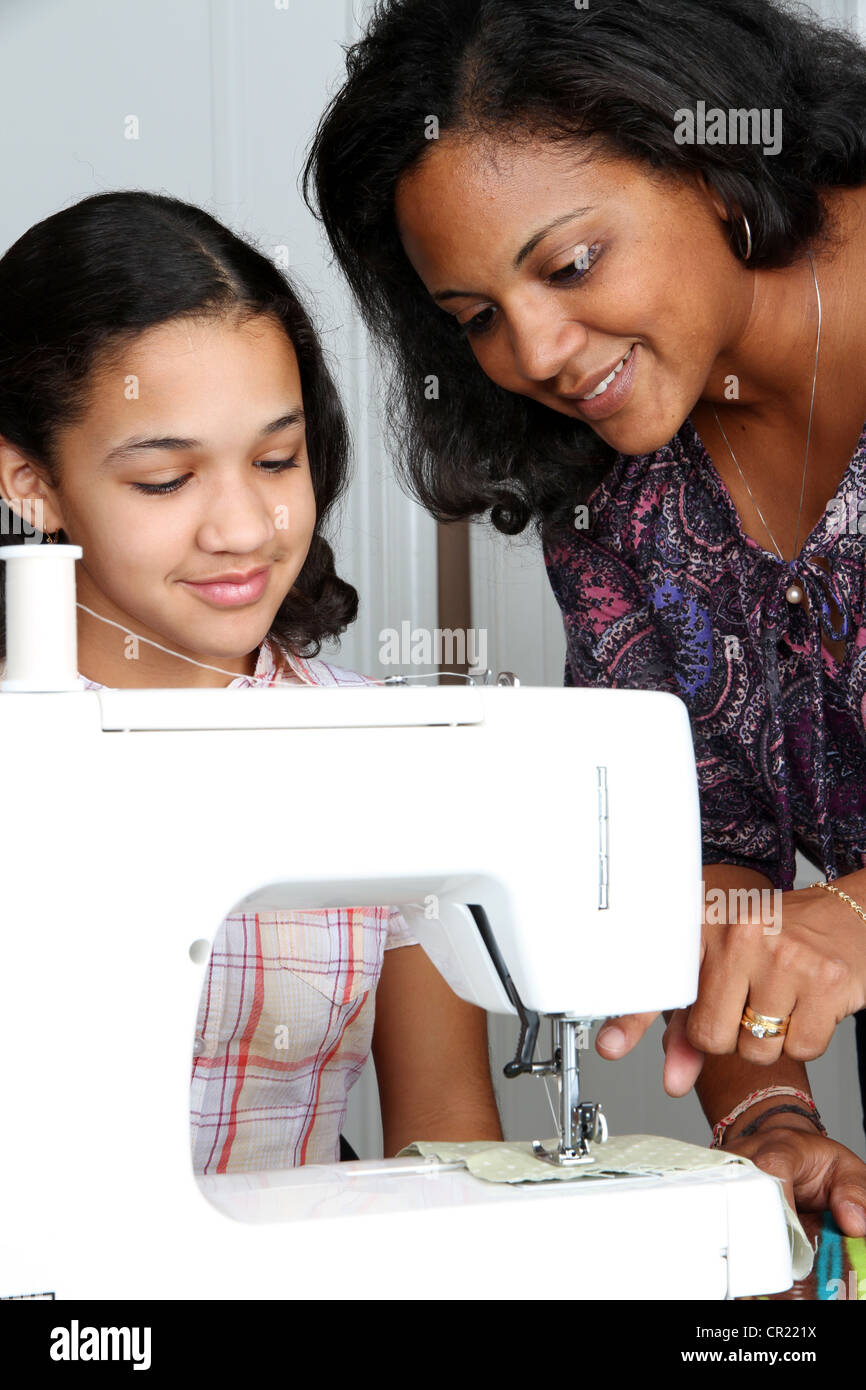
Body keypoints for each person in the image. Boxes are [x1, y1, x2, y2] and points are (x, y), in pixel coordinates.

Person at [302, 0, 866, 1230]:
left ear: (712, 160)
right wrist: (766, 1116)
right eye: (476, 320)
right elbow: (716, 859)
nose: (538, 352)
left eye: (566, 264)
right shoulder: (620, 505)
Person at [0, 190, 502, 1171]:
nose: (244, 529)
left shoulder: (386, 759)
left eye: (276, 459)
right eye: (164, 480)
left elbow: (445, 1139)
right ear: (30, 482)